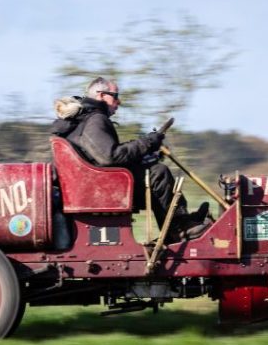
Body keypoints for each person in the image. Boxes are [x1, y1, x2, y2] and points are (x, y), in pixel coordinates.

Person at [50, 77, 211, 241]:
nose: (118, 101)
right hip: (102, 189)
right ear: (100, 95)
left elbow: (104, 156)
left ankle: (180, 223)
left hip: (92, 185)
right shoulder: (95, 119)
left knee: (153, 170)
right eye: (115, 95)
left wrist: (145, 153)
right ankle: (178, 227)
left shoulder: (82, 120)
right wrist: (147, 142)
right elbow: (110, 157)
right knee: (158, 173)